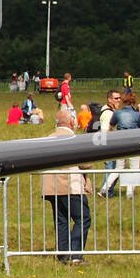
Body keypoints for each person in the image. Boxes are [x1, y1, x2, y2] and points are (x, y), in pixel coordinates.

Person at [38, 106, 91, 263]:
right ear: (71, 122)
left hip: (51, 187)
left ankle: (63, 255)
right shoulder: (73, 139)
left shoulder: (48, 138)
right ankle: (75, 254)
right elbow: (86, 163)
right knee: (83, 218)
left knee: (61, 220)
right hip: (70, 185)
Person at [97, 90, 140, 196]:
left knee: (118, 168)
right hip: (135, 143)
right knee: (134, 168)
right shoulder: (137, 115)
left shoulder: (117, 113)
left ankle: (104, 189)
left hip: (120, 143)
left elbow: (112, 124)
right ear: (134, 102)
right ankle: (129, 193)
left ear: (124, 101)